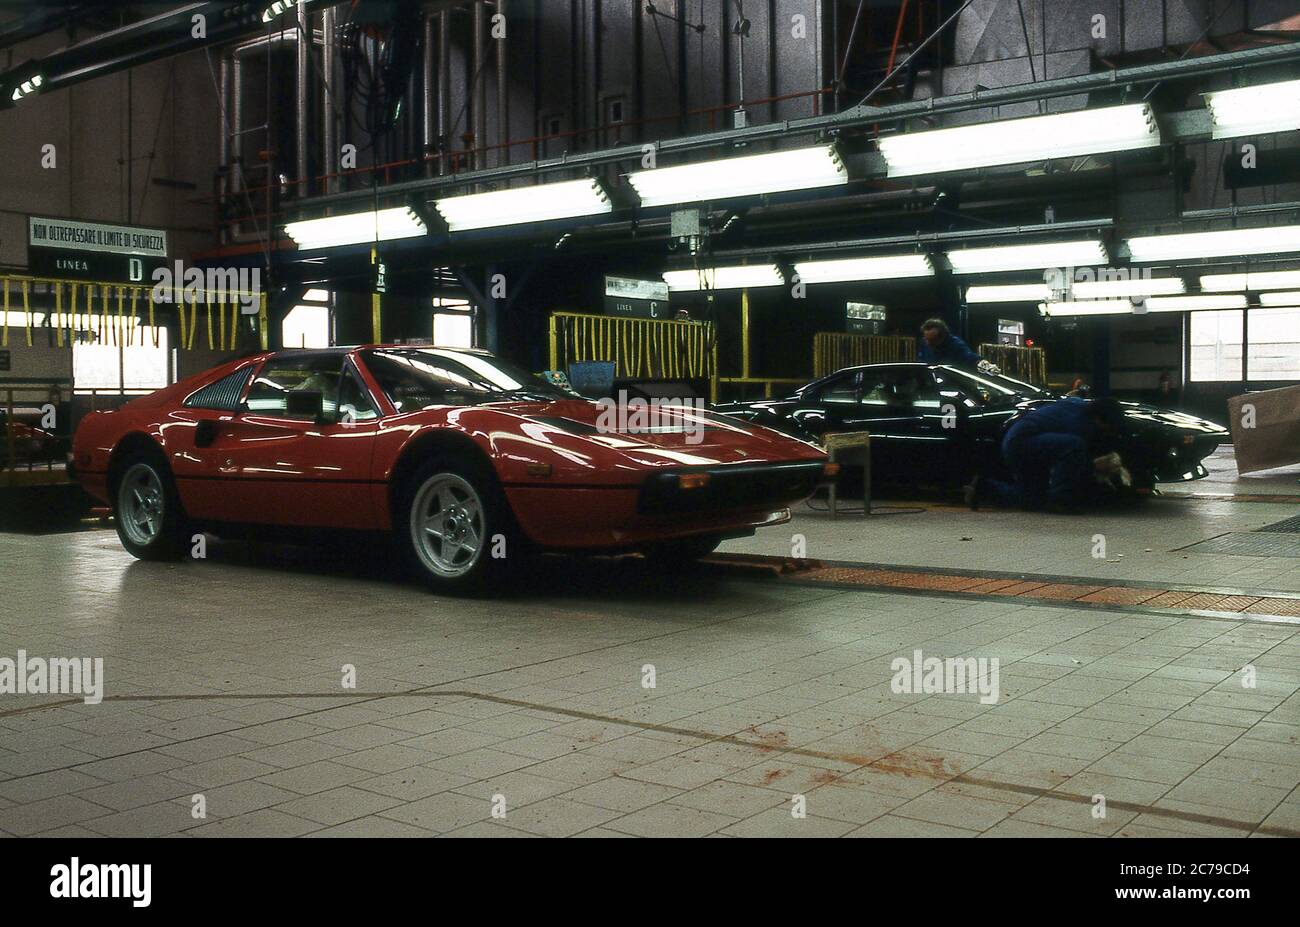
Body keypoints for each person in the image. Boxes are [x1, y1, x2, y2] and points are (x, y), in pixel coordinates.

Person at [968, 396, 1127, 512]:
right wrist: (1095, 466)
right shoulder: (1082, 425)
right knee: (1075, 445)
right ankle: (1060, 500)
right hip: (1023, 444)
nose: (1106, 432)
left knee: (1032, 500)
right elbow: (1073, 463)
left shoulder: (1078, 403)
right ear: (1100, 420)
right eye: (1108, 428)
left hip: (1017, 441)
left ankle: (984, 487)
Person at [918, 318, 1001, 374]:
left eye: (932, 340)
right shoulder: (924, 343)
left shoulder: (955, 345)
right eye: (926, 339)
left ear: (943, 336)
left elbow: (970, 357)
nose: (928, 343)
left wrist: (986, 366)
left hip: (955, 385)